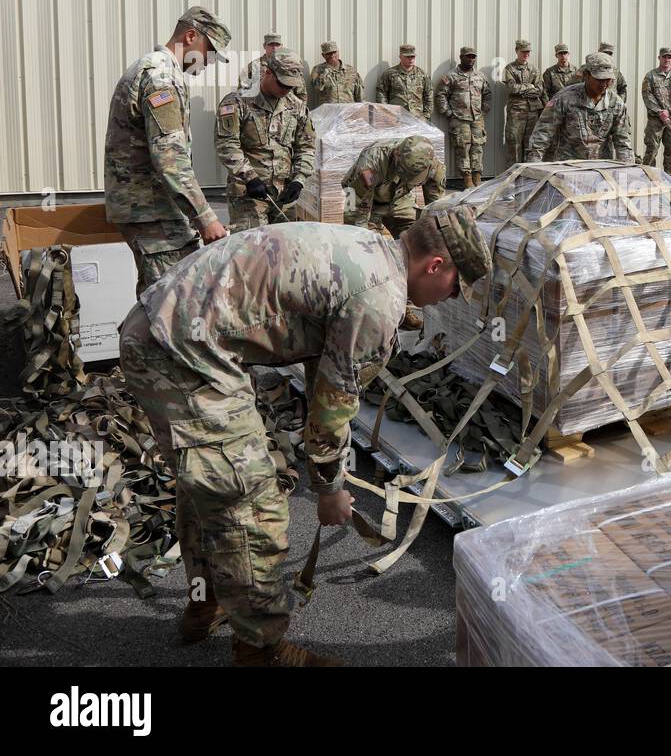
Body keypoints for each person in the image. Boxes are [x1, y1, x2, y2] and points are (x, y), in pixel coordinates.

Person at [119, 207, 491, 665]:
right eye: (455, 287)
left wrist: (324, 471)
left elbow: (322, 371)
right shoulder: (378, 297)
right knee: (249, 500)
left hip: (161, 330)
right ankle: (262, 650)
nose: (450, 298)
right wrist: (330, 489)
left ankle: (209, 600)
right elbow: (334, 402)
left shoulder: (368, 248)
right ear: (435, 266)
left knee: (210, 485)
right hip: (180, 354)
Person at [103, 5, 231, 295]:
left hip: (152, 209)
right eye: (209, 52)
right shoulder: (161, 77)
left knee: (156, 296)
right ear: (190, 36)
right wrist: (205, 217)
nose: (209, 62)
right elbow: (170, 159)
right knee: (172, 301)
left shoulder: (158, 70)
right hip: (150, 211)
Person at [214, 49, 316, 231]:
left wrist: (299, 180)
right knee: (252, 251)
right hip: (248, 194)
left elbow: (306, 146)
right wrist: (250, 177)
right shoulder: (237, 102)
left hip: (284, 195)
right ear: (268, 73)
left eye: (291, 87)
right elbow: (227, 145)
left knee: (284, 250)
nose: (286, 90)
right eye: (282, 84)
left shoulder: (297, 107)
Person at [525, 52, 635, 163]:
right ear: (586, 75)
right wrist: (533, 164)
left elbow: (623, 142)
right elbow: (542, 133)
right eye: (599, 79)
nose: (604, 84)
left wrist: (627, 171)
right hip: (568, 168)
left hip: (601, 169)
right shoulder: (564, 98)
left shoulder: (616, 104)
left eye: (608, 79)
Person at [343, 135, 446, 237]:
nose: (408, 179)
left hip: (400, 198)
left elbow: (436, 208)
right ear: (397, 155)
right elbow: (356, 205)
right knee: (367, 244)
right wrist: (360, 237)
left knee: (417, 239)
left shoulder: (435, 168)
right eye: (405, 173)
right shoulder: (371, 164)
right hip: (368, 200)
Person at [436, 46, 492, 186]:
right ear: (461, 57)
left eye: (473, 57)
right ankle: (467, 180)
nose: (471, 59)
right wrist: (449, 113)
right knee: (463, 148)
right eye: (468, 56)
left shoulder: (480, 76)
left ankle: (477, 178)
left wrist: (483, 111)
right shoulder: (451, 76)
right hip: (459, 119)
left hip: (477, 119)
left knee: (478, 147)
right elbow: (440, 95)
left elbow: (487, 94)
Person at [640, 47, 671, 177]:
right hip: (655, 120)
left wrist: (669, 112)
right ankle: (648, 177)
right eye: (664, 57)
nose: (667, 59)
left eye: (669, 57)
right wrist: (660, 112)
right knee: (651, 149)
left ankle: (670, 177)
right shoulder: (650, 76)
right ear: (659, 58)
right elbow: (647, 95)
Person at [502, 39, 546, 165]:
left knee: (531, 144)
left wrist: (523, 88)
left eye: (528, 52)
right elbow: (512, 88)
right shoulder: (510, 68)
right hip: (516, 112)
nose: (526, 54)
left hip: (533, 112)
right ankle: (513, 175)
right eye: (523, 52)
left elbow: (539, 90)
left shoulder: (534, 69)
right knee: (514, 143)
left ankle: (529, 174)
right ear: (517, 51)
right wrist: (529, 87)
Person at [377, 44, 435, 122]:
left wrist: (426, 115)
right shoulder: (390, 74)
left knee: (416, 135)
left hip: (417, 117)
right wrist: (387, 113)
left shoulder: (422, 74)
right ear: (400, 57)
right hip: (396, 117)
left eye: (412, 57)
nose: (411, 59)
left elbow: (429, 94)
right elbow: (381, 93)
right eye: (407, 57)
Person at [307, 40, 363, 108]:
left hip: (347, 112)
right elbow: (317, 87)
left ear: (338, 52)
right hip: (328, 113)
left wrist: (361, 110)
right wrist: (326, 71)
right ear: (323, 55)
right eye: (328, 53)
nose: (332, 55)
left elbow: (359, 94)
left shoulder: (351, 70)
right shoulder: (317, 70)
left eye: (334, 52)